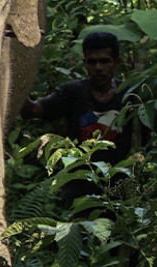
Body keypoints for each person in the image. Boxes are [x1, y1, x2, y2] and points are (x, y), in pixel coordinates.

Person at [21, 31, 144, 209]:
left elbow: (146, 141)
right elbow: (33, 110)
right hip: (78, 189)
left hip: (120, 189)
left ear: (116, 63)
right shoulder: (73, 92)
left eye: (105, 61)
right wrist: (15, 75)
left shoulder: (130, 95)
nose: (98, 68)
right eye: (92, 62)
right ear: (84, 63)